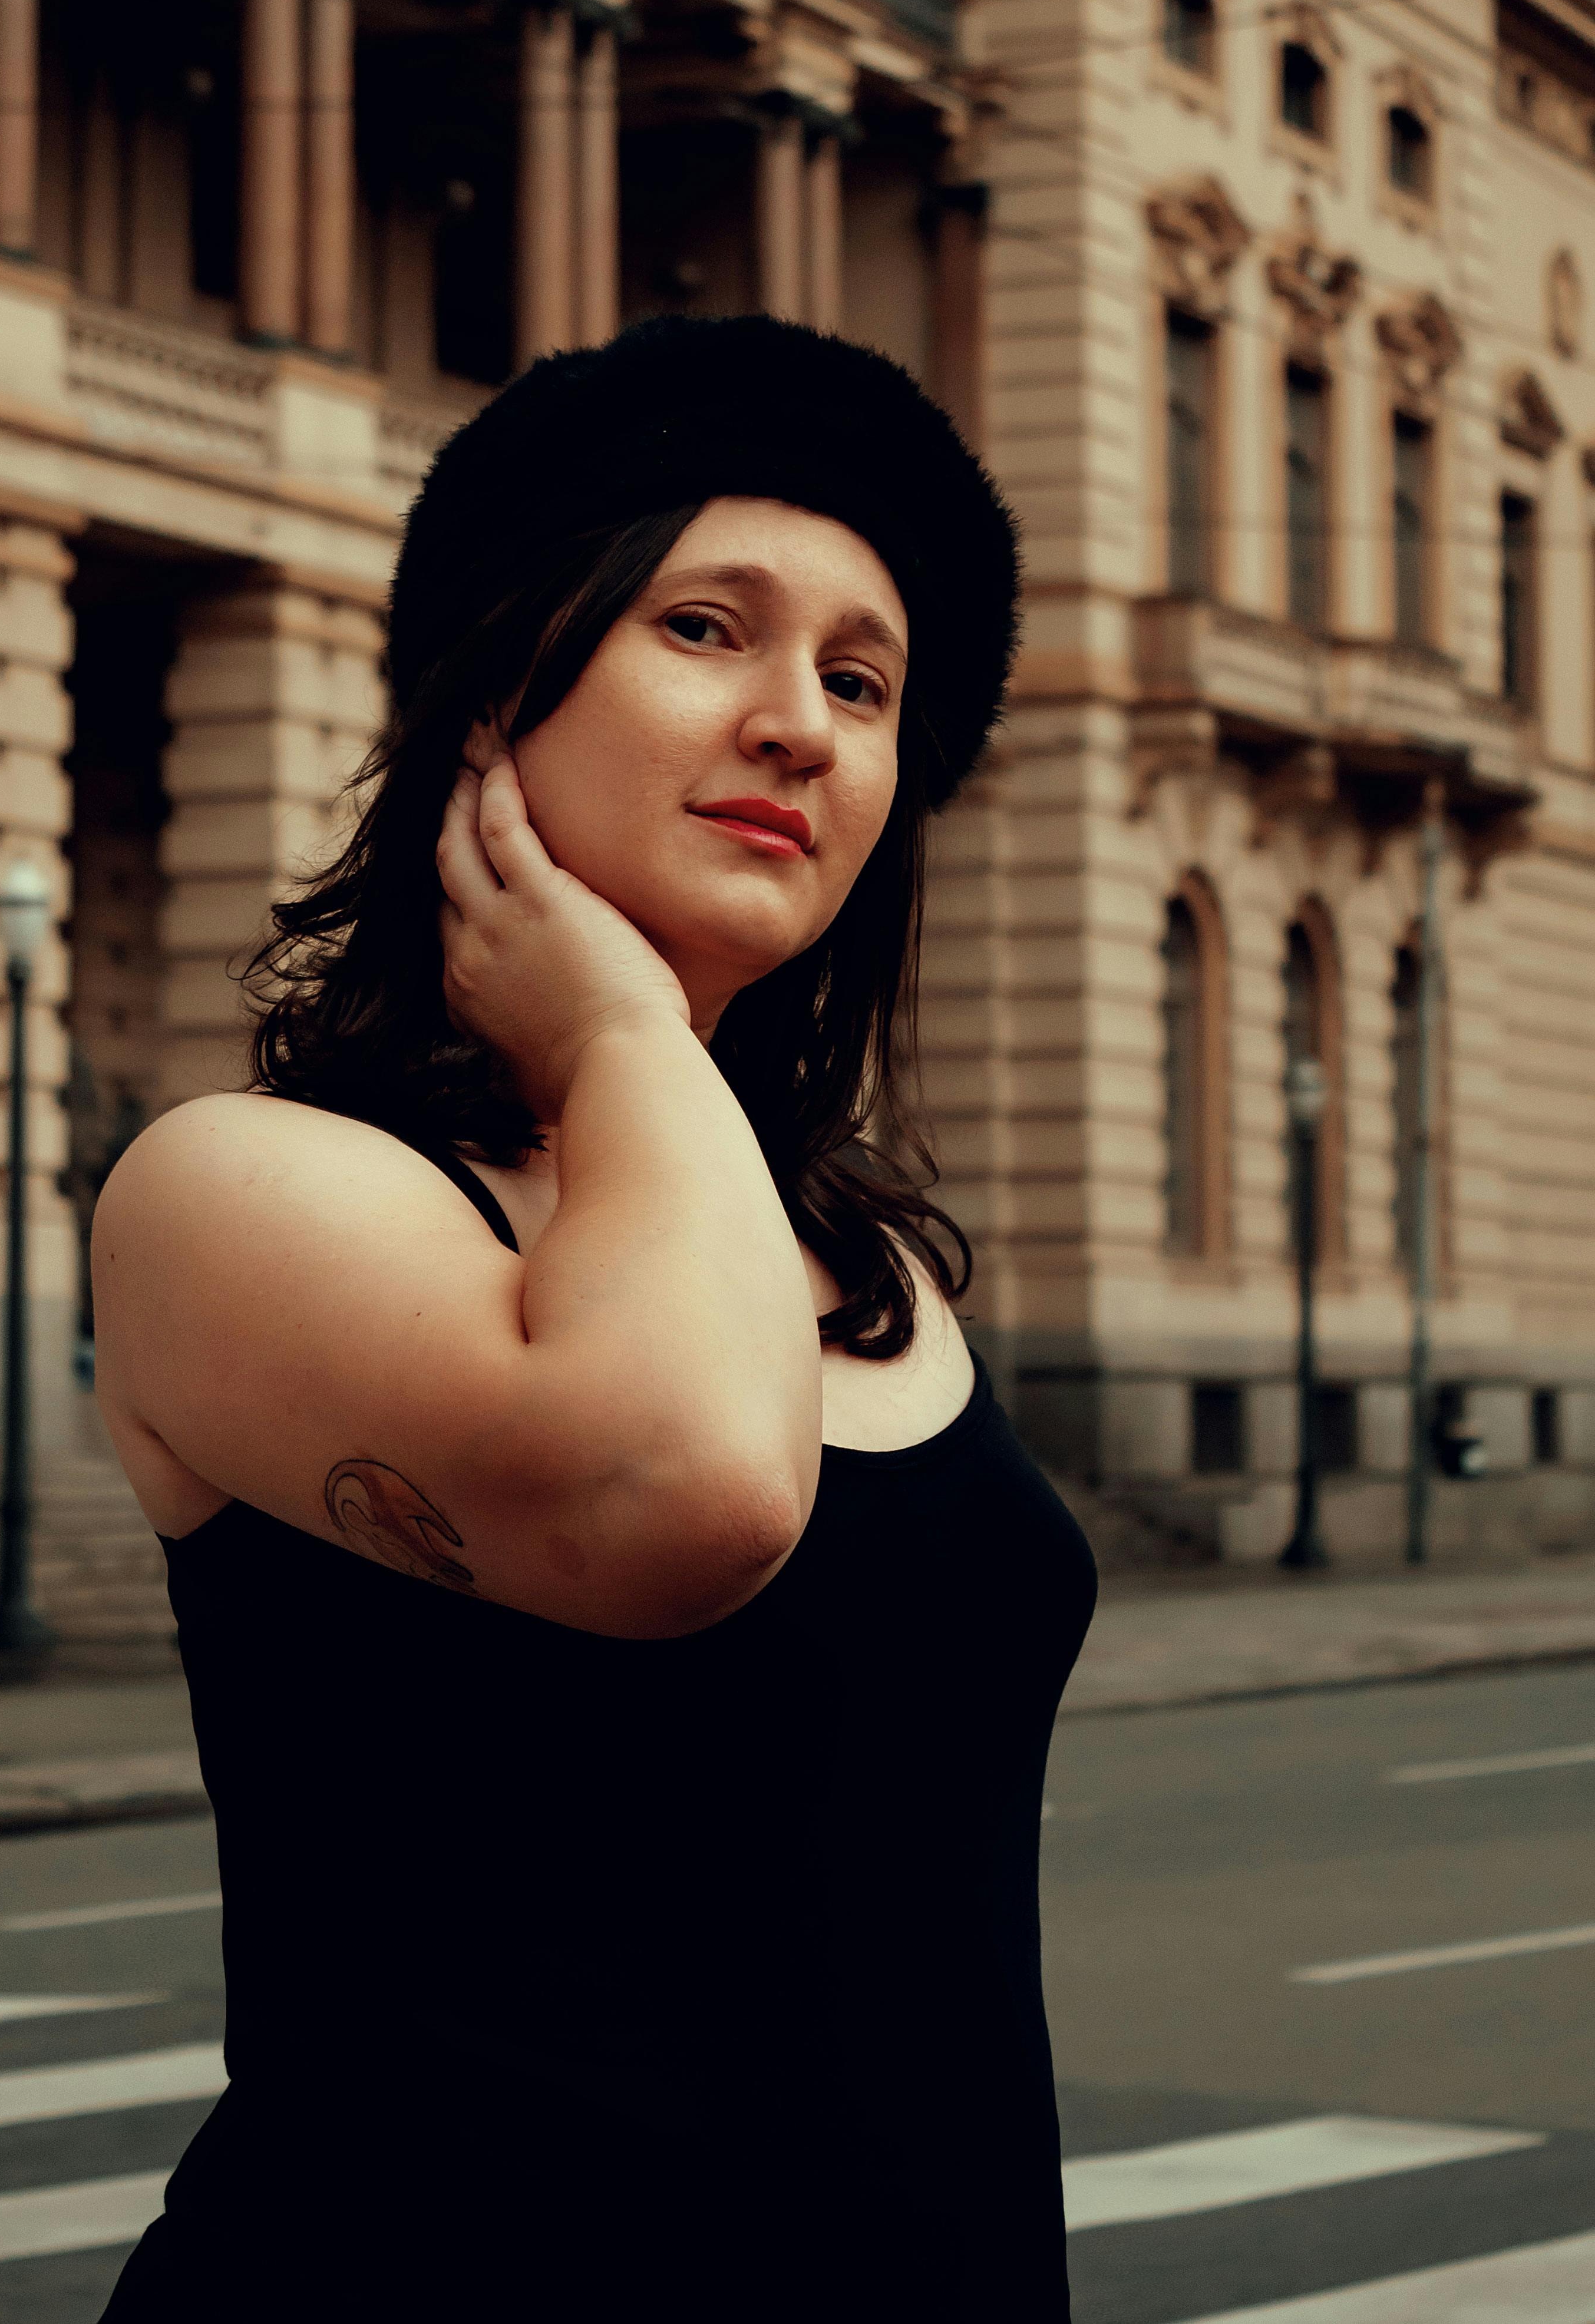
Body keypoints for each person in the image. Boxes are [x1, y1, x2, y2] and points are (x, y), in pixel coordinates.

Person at [94, 313, 1097, 2319]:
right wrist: (623, 1022)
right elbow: (686, 1493)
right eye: (705, 626)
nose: (804, 723)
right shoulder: (246, 1190)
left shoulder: (865, 1273)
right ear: (494, 690)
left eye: (862, 679)